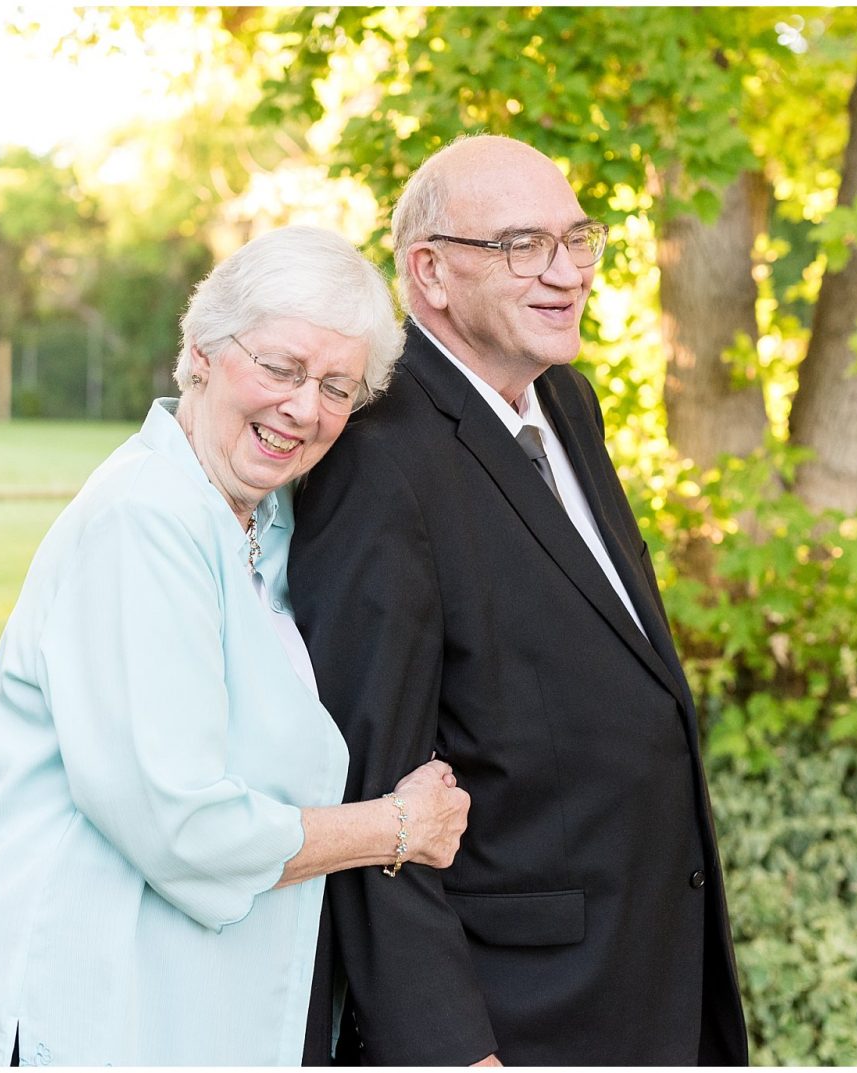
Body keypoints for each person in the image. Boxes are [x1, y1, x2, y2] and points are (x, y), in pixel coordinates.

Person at [0, 225, 471, 1067]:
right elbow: (181, 822)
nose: (305, 406)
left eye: (338, 385)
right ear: (200, 352)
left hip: (186, 1002)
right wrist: (398, 826)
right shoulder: (143, 521)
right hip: (90, 1001)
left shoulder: (269, 524)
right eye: (281, 367)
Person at [291, 136, 748, 1065]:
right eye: (521, 246)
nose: (567, 273)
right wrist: (453, 1050)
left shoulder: (568, 404)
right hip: (517, 1017)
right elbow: (373, 786)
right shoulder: (378, 456)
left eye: (578, 239)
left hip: (648, 977)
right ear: (430, 273)